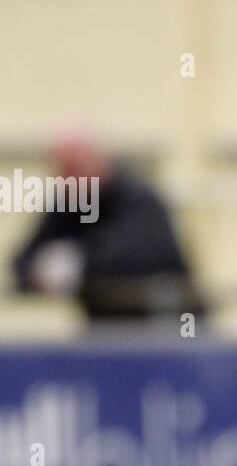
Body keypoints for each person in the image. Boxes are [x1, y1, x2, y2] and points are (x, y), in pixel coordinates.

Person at [11, 130, 204, 322]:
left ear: (99, 161)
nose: (68, 177)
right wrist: (40, 270)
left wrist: (78, 263)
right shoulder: (69, 202)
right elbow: (23, 259)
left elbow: (135, 256)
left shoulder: (139, 199)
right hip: (104, 331)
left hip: (166, 328)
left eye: (75, 166)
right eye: (63, 169)